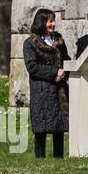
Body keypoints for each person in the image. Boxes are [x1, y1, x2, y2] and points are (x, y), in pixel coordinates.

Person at [23, 8, 70, 158]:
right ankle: (40, 161)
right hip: (41, 91)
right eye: (50, 21)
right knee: (41, 129)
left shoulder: (59, 40)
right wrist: (54, 73)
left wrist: (63, 72)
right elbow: (32, 66)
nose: (53, 24)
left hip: (59, 90)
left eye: (53, 21)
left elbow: (67, 60)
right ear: (42, 22)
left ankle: (59, 160)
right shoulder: (30, 43)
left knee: (59, 129)